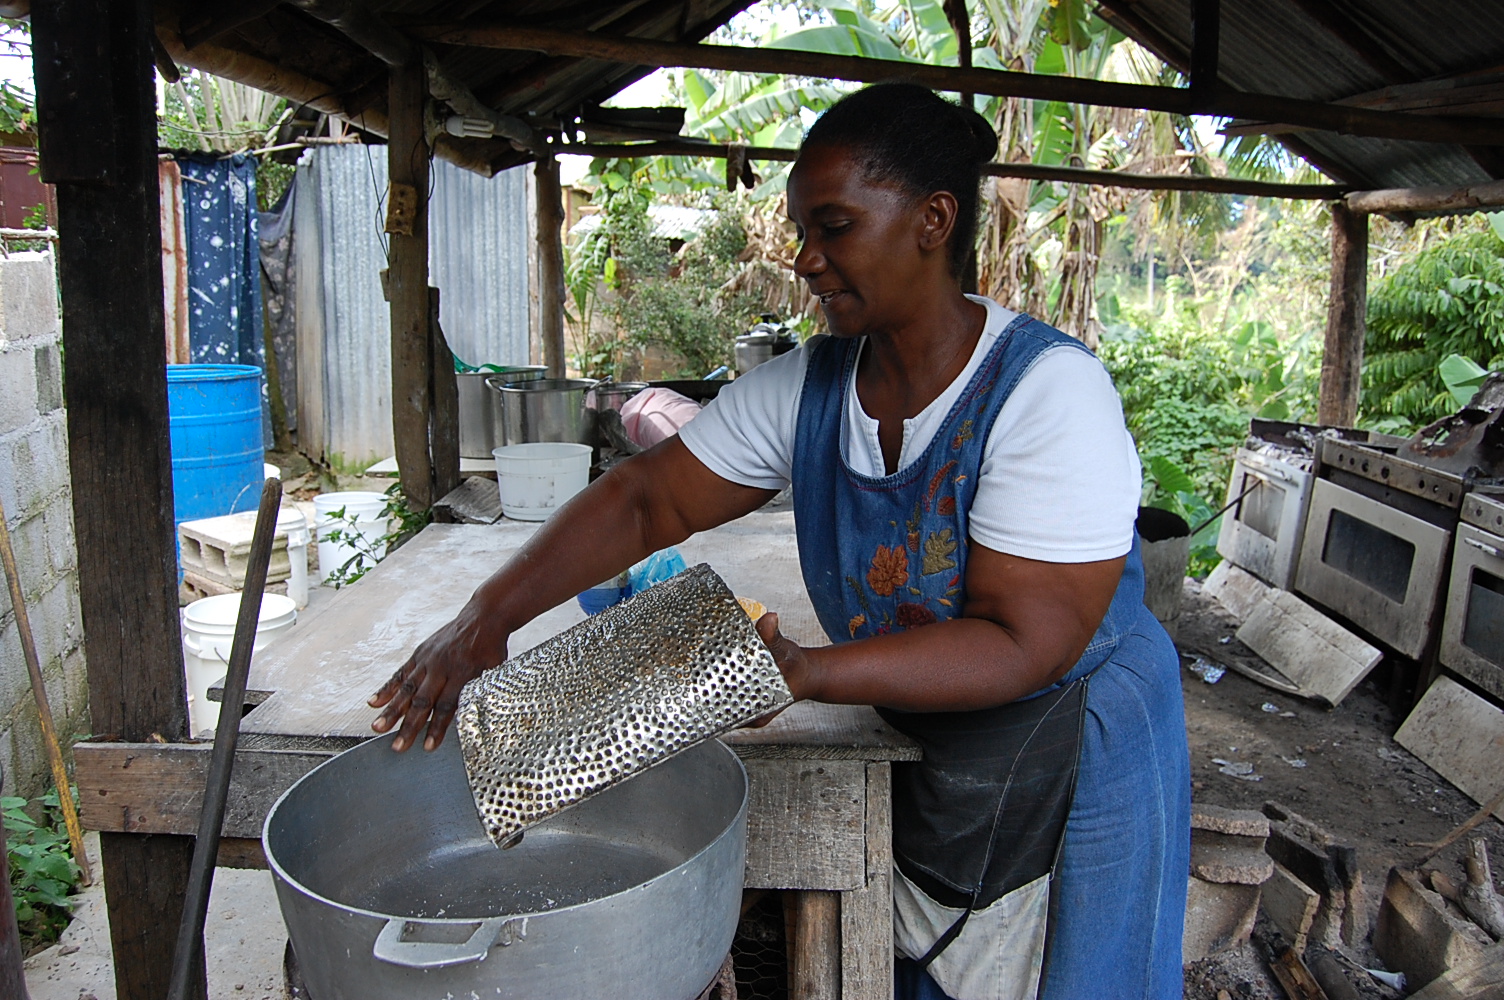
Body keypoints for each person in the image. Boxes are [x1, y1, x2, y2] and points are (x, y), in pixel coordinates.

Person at [369, 83, 1189, 1000]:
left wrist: (803, 672)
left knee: (1066, 971)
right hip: (932, 724)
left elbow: (1022, 644)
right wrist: (488, 619)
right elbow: (645, 500)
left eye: (833, 227)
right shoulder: (815, 388)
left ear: (933, 220)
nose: (805, 259)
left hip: (1072, 741)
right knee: (938, 960)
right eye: (802, 229)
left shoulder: (1045, 397)